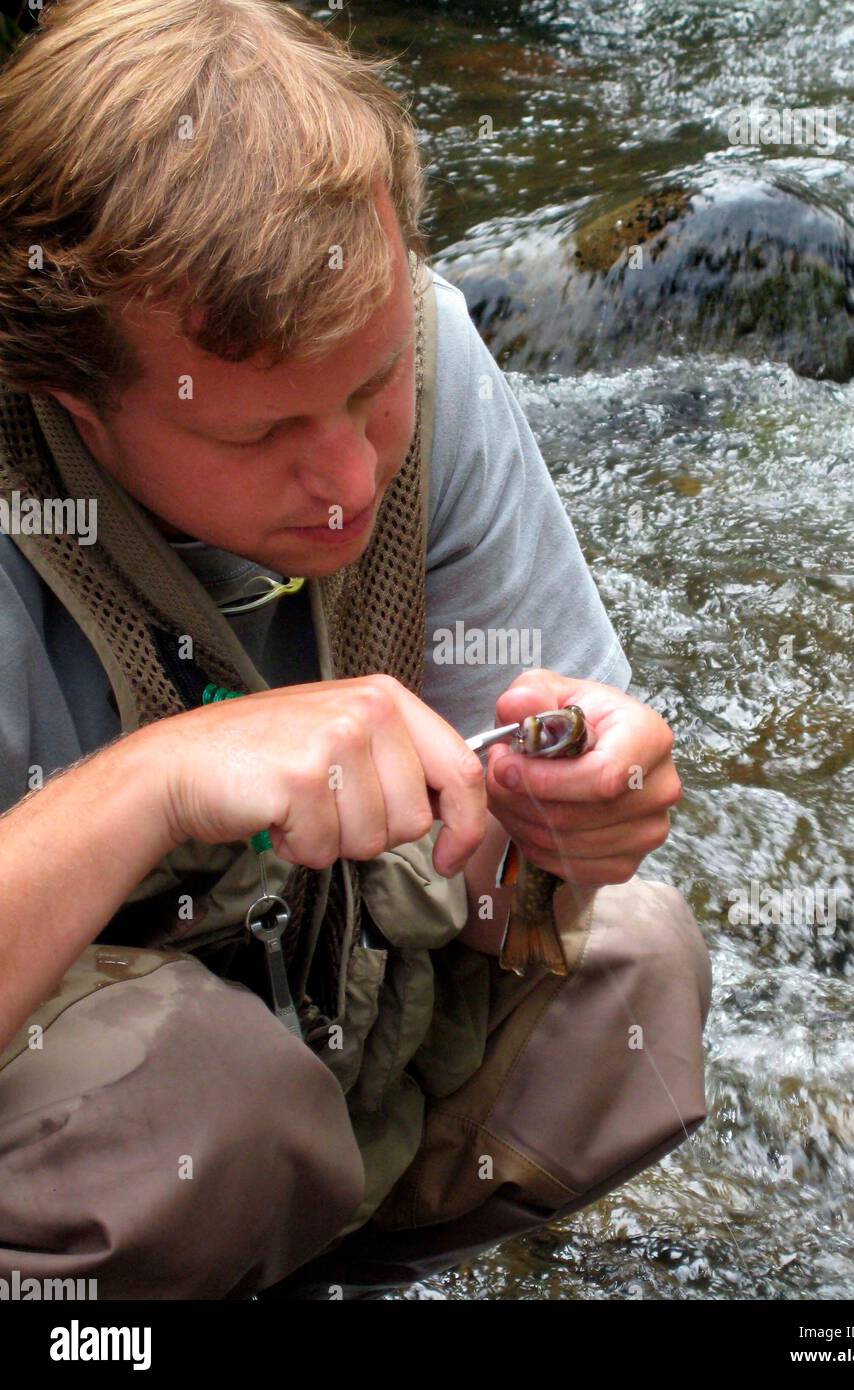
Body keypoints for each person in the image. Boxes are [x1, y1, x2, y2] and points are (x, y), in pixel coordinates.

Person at [0, 0, 711, 1299]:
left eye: (370, 383)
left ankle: (314, 1255)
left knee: (631, 968)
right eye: (256, 436)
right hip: (148, 1099)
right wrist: (159, 776)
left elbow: (543, 802)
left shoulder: (424, 345)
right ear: (72, 401)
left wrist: (587, 806)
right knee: (202, 1105)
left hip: (301, 1043)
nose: (347, 475)